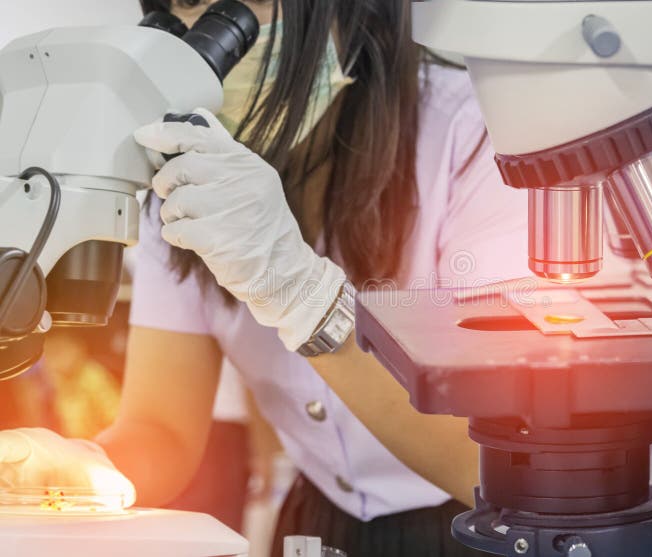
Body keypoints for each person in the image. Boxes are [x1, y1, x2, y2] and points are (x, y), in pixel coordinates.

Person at [0, 1, 530, 555]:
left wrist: (304, 297)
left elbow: (499, 467)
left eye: (228, 7)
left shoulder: (476, 141)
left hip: (479, 528)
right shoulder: (180, 173)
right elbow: (162, 431)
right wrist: (75, 472)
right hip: (322, 519)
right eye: (178, 14)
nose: (193, 44)